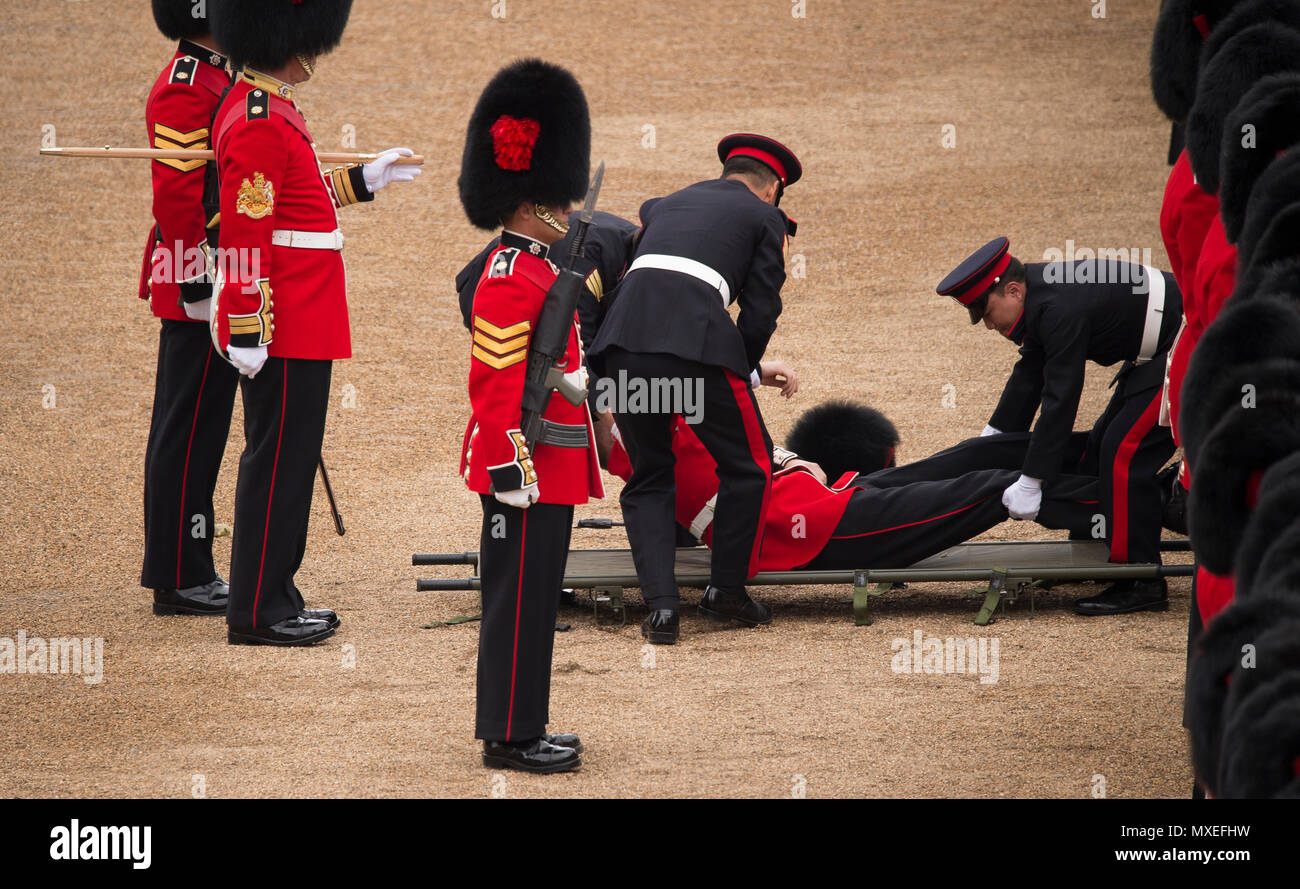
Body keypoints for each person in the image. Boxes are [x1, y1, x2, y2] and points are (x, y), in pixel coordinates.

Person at [209, 0, 420, 645]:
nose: (315, 54)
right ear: (280, 40)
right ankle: (258, 610)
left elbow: (296, 198)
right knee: (279, 461)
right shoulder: (257, 119)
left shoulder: (271, 108)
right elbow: (247, 231)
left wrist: (362, 180)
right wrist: (245, 319)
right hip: (286, 318)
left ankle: (275, 591)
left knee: (289, 459)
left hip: (305, 310)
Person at [588, 134, 801, 644]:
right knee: (749, 467)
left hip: (623, 351)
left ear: (727, 171)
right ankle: (725, 591)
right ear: (772, 188)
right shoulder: (765, 218)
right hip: (698, 355)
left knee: (650, 474)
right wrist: (744, 372)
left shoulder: (662, 205)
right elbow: (762, 310)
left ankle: (661, 609)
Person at [456, 58, 603, 774]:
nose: (567, 209)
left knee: (535, 597)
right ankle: (509, 736)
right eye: (554, 198)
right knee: (516, 601)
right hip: (522, 465)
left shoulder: (541, 266)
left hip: (547, 459)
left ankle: (525, 721)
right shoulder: (512, 274)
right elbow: (493, 381)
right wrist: (507, 462)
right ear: (523, 204)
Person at [938, 237, 1182, 615]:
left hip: (1184, 341)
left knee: (1124, 454)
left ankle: (1142, 581)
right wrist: (996, 438)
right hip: (1155, 349)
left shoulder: (1056, 308)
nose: (987, 325)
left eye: (986, 312)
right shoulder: (1039, 297)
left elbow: (1061, 398)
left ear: (1013, 290)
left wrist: (1032, 479)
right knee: (1100, 445)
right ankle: (1095, 549)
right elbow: (1031, 370)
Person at [597, 402, 1099, 577]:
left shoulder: (653, 415)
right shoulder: (637, 446)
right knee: (996, 489)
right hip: (815, 533)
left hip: (823, 499)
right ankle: (1141, 506)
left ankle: (1103, 460)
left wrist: (793, 461)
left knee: (973, 455)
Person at [140, 0, 240, 617]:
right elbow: (178, 200)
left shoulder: (219, 75)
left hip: (225, 273)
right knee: (189, 430)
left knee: (206, 429)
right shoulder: (185, 86)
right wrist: (199, 285)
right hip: (197, 284)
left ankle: (191, 562)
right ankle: (179, 573)